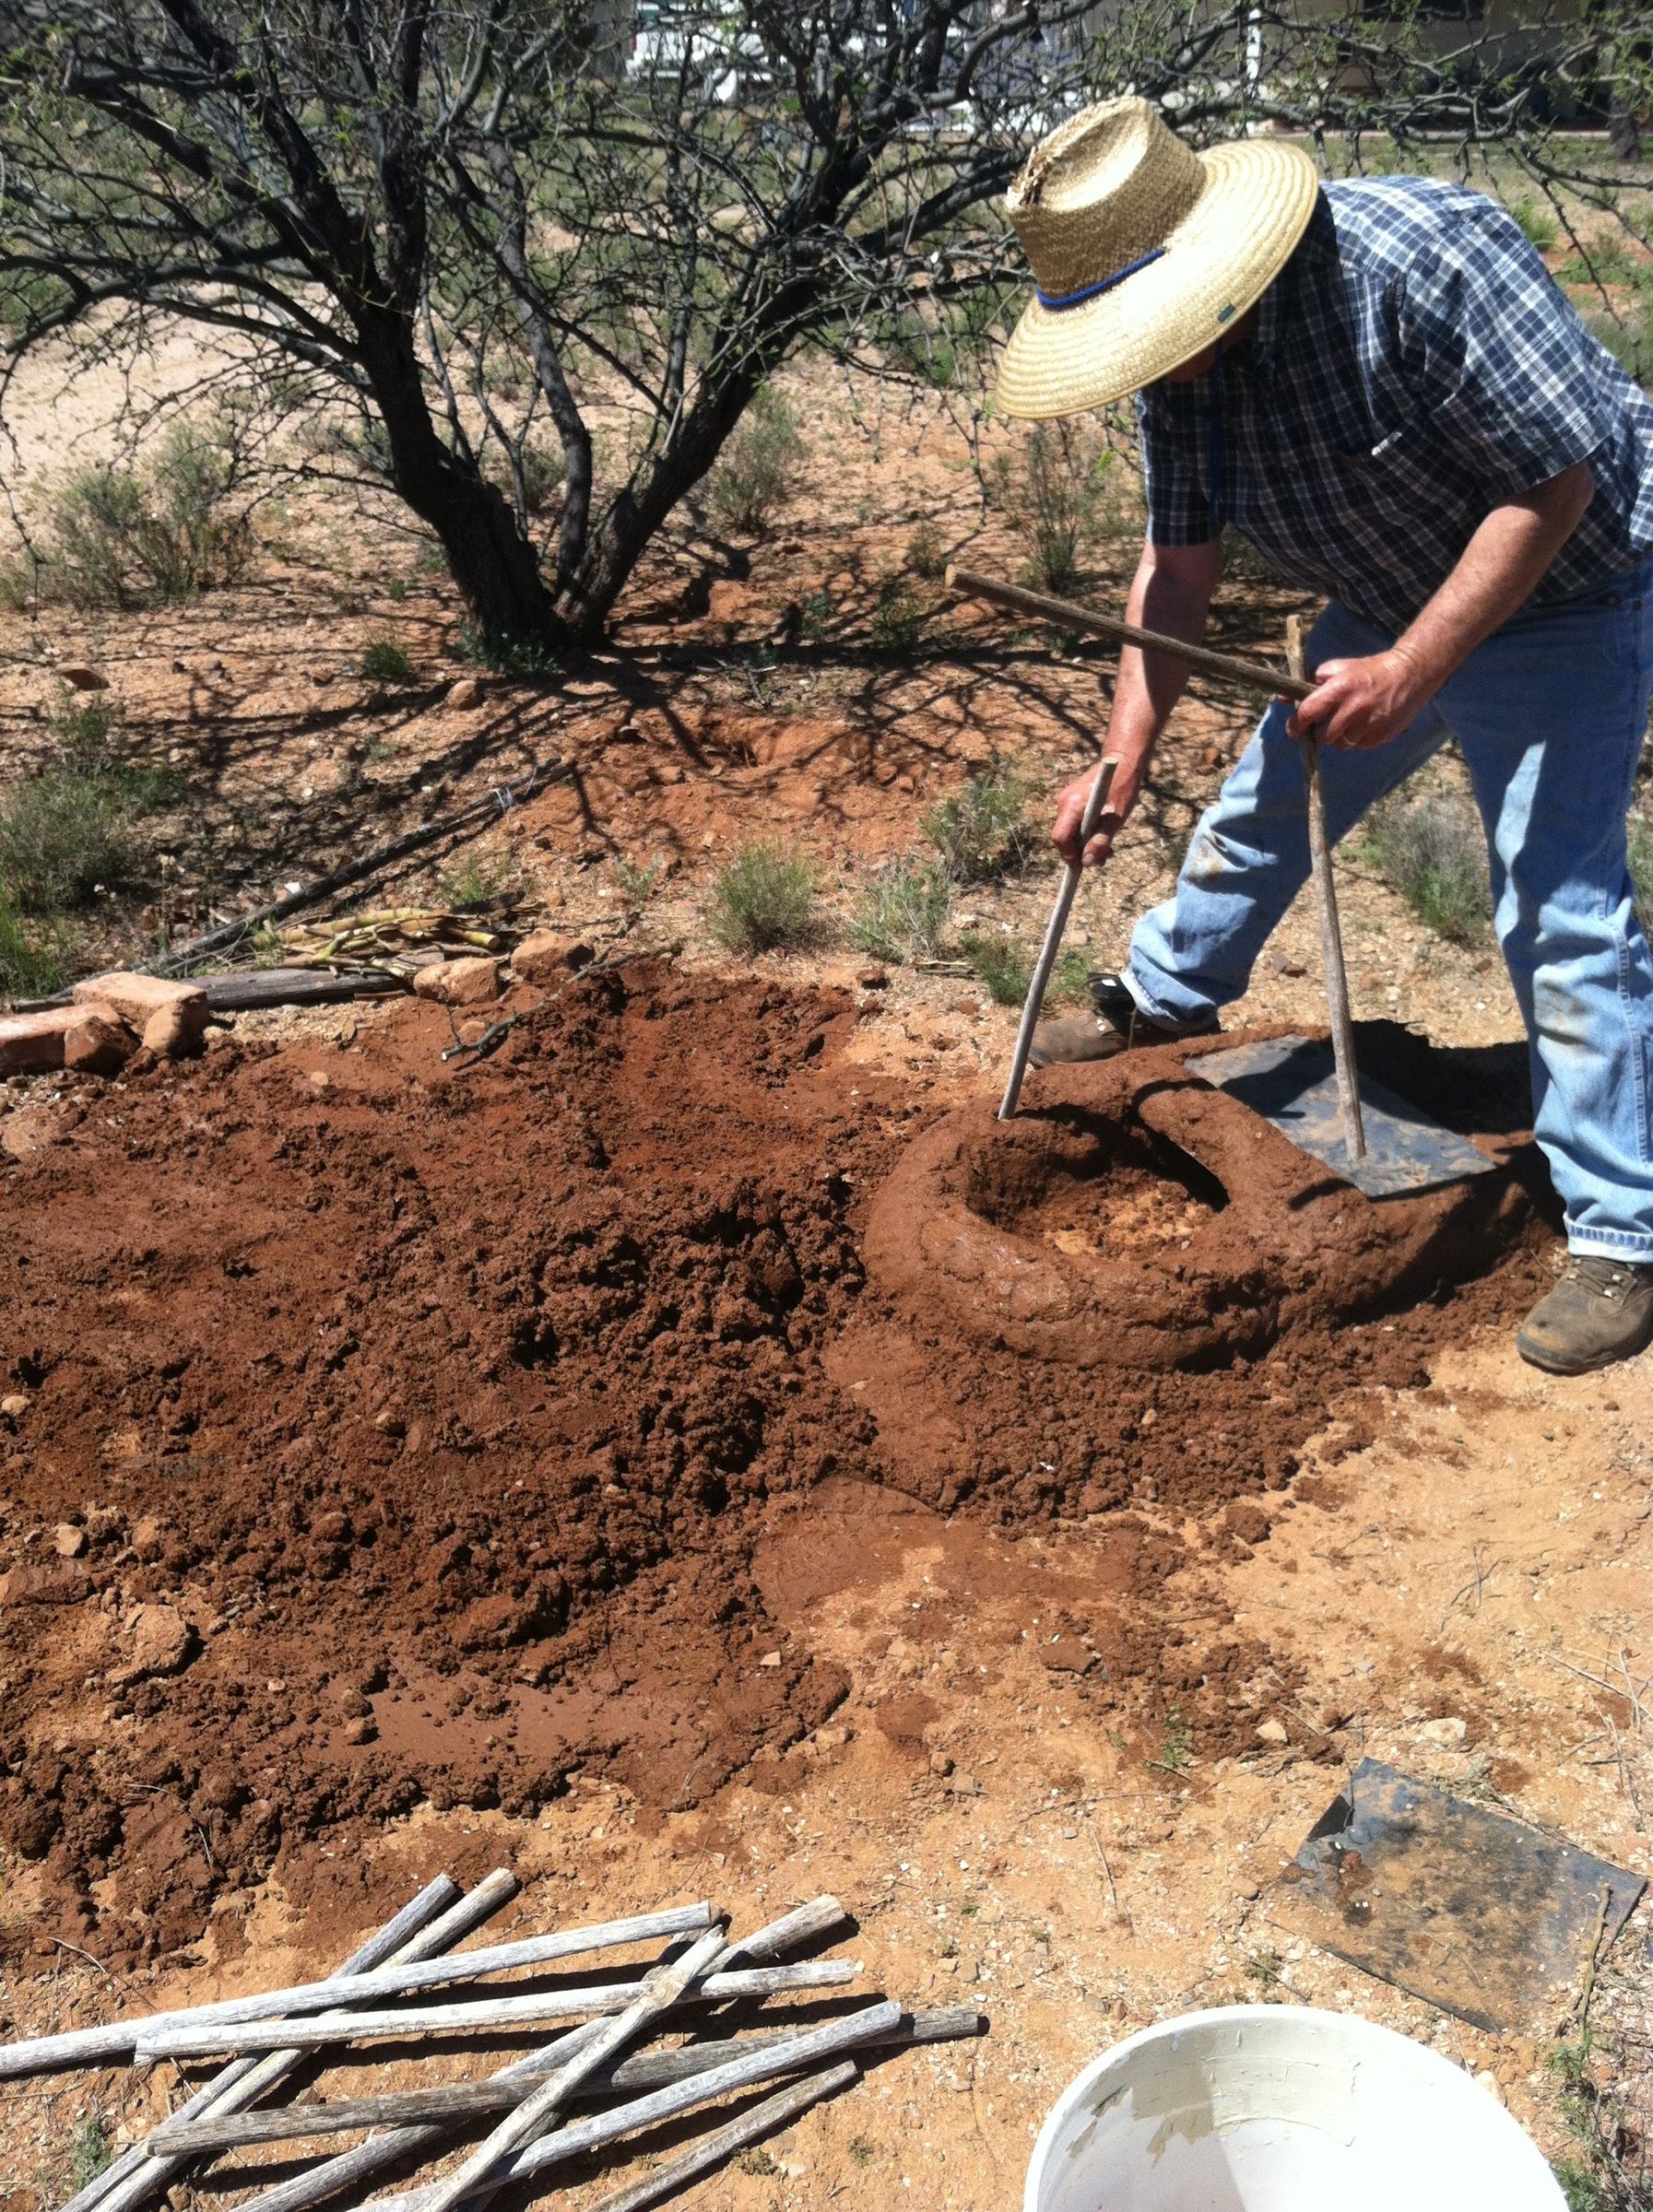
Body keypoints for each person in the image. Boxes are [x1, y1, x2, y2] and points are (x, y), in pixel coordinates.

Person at [996, 95, 1653, 1376]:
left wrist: (1414, 667)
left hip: (1566, 590)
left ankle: (1621, 1231)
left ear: (1217, 273)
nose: (1148, 364)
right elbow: (1175, 572)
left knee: (1556, 905)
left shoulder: (1420, 262)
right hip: (1381, 594)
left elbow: (1554, 483)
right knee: (1260, 808)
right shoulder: (1182, 369)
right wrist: (1121, 758)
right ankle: (1161, 999)